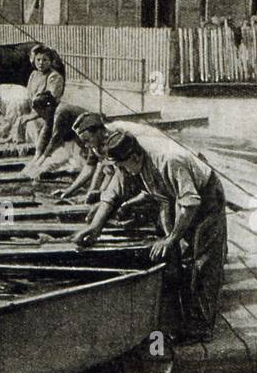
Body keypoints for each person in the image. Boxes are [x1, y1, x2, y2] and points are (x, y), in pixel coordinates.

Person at [74, 129, 228, 341]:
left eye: (122, 167)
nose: (122, 172)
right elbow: (116, 191)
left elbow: (190, 203)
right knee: (180, 256)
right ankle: (179, 319)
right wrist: (96, 226)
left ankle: (200, 329)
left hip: (205, 196)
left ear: (135, 157)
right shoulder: (130, 157)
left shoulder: (169, 160)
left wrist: (171, 238)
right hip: (175, 198)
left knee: (203, 261)